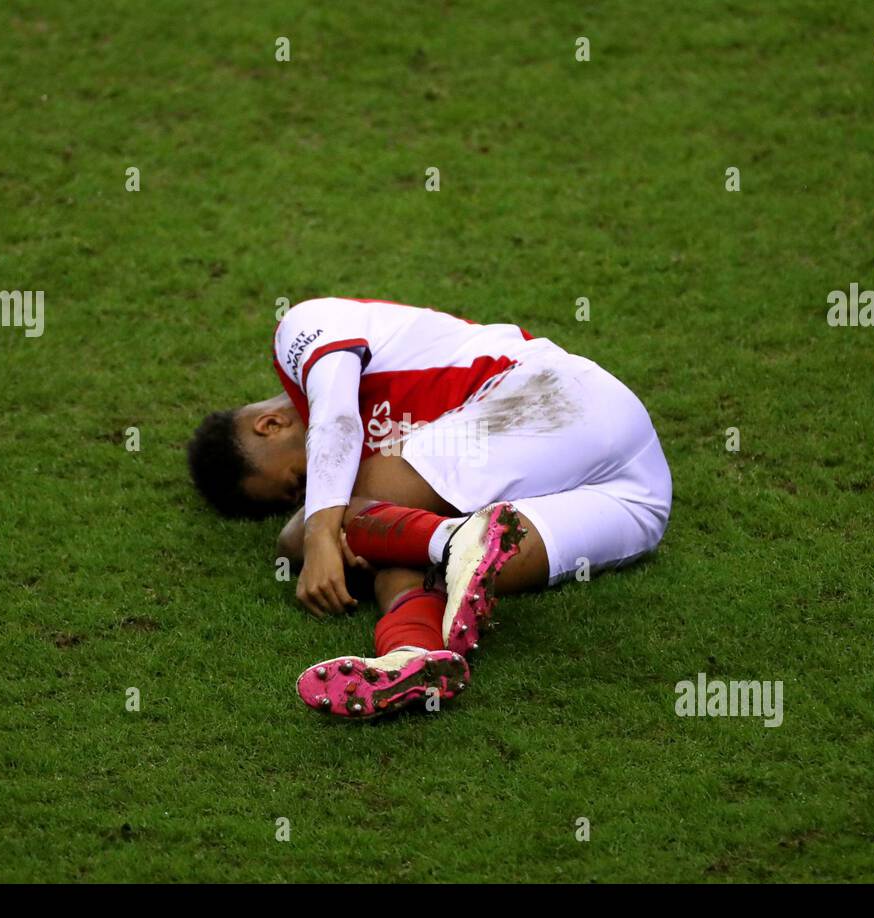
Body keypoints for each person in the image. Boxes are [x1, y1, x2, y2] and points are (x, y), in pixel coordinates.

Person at [188, 298, 672, 718]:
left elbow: (335, 422)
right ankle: (412, 655)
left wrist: (318, 535)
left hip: (551, 395)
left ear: (269, 425)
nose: (314, 488)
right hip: (638, 495)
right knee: (424, 543)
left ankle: (452, 539)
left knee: (307, 532)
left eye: (297, 481)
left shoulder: (303, 327)